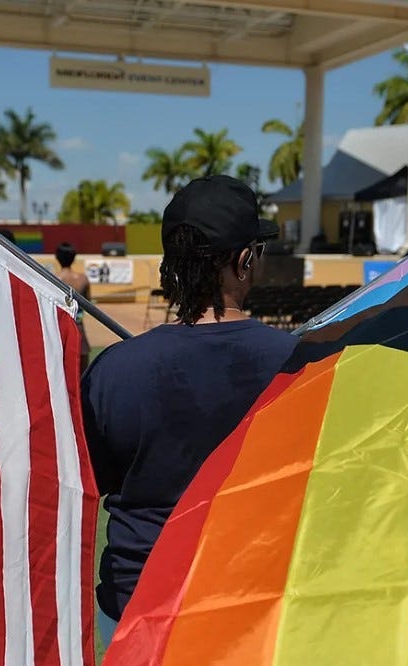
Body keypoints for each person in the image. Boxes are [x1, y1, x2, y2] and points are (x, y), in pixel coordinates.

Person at [81, 175, 296, 637]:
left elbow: (85, 488)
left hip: (135, 611)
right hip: (254, 609)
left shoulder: (114, 371)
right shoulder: (300, 367)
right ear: (244, 261)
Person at [53, 242, 92, 370]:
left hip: (58, 329)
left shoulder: (52, 278)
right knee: (82, 374)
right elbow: (88, 304)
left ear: (57, 258)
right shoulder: (83, 279)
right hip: (78, 328)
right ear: (74, 258)